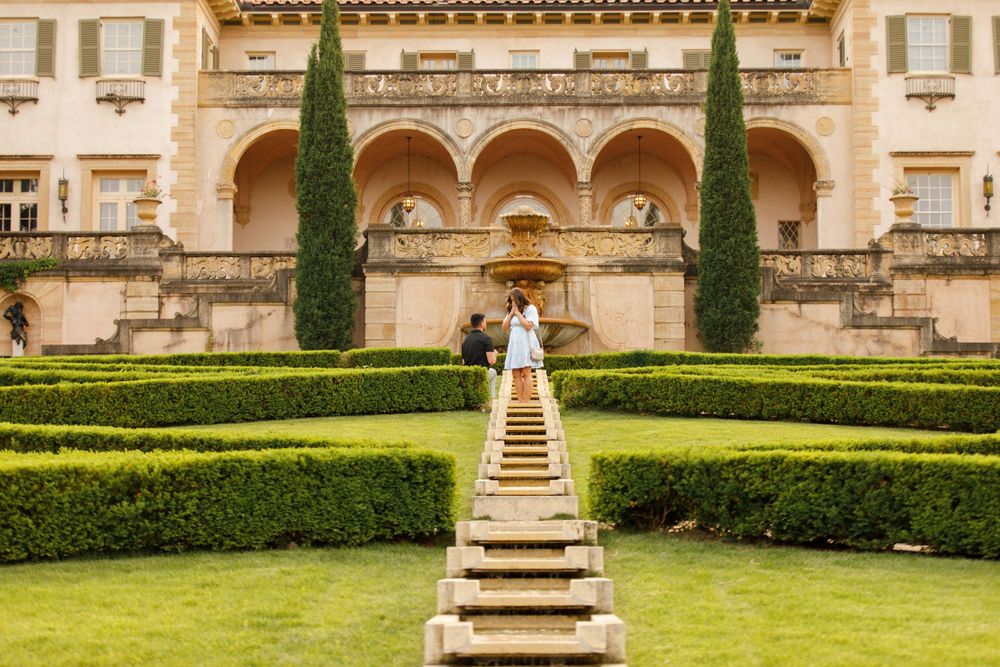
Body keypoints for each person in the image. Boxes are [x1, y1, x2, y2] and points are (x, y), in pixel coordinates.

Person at [502, 287, 542, 402]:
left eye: (514, 300)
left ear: (520, 299)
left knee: (526, 371)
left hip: (526, 342)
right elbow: (504, 328)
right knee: (516, 373)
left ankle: (527, 401)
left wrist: (518, 314)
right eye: (511, 300)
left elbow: (529, 326)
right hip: (515, 343)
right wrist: (510, 314)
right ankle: (520, 400)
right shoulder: (511, 310)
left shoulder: (530, 309)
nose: (513, 303)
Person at [461, 312, 497, 400]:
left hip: (468, 375)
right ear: (482, 323)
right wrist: (495, 354)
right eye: (485, 322)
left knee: (491, 371)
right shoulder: (487, 339)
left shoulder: (466, 340)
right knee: (493, 372)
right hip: (480, 374)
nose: (486, 324)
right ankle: (490, 398)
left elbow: (463, 361)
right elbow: (491, 361)